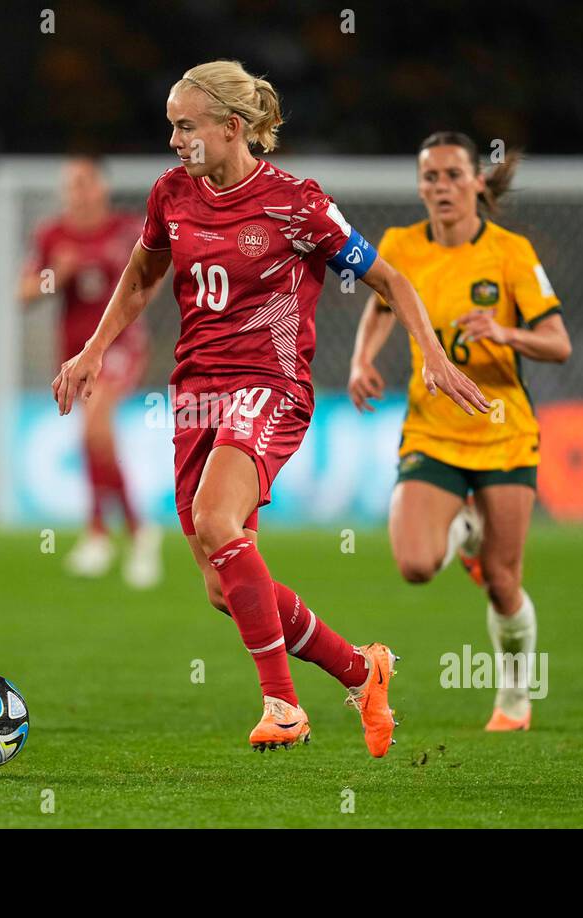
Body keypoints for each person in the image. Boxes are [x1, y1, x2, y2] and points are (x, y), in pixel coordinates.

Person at [53, 63, 489, 754]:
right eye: (170, 125)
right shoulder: (171, 194)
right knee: (225, 587)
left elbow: (391, 278)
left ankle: (283, 705)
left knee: (214, 518)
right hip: (194, 391)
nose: (173, 140)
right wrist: (93, 349)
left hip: (270, 383)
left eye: (185, 126)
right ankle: (361, 670)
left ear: (232, 128)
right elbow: (142, 275)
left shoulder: (299, 205)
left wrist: (432, 356)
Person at [348, 132, 571, 731]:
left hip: (502, 433)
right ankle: (463, 528)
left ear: (477, 181)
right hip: (432, 429)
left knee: (502, 581)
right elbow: (379, 304)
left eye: (452, 175)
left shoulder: (510, 253)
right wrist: (361, 359)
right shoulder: (401, 246)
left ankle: (516, 700)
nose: (440, 187)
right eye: (430, 177)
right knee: (415, 564)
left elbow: (559, 344)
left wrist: (506, 335)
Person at [20, 156, 162, 589]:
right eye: (70, 185)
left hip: (120, 345)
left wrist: (133, 305)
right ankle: (129, 533)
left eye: (83, 183)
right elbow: (25, 292)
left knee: (94, 427)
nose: (76, 193)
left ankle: (109, 533)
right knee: (94, 435)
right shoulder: (53, 235)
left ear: (101, 187)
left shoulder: (126, 230)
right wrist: (54, 276)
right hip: (74, 352)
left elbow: (153, 276)